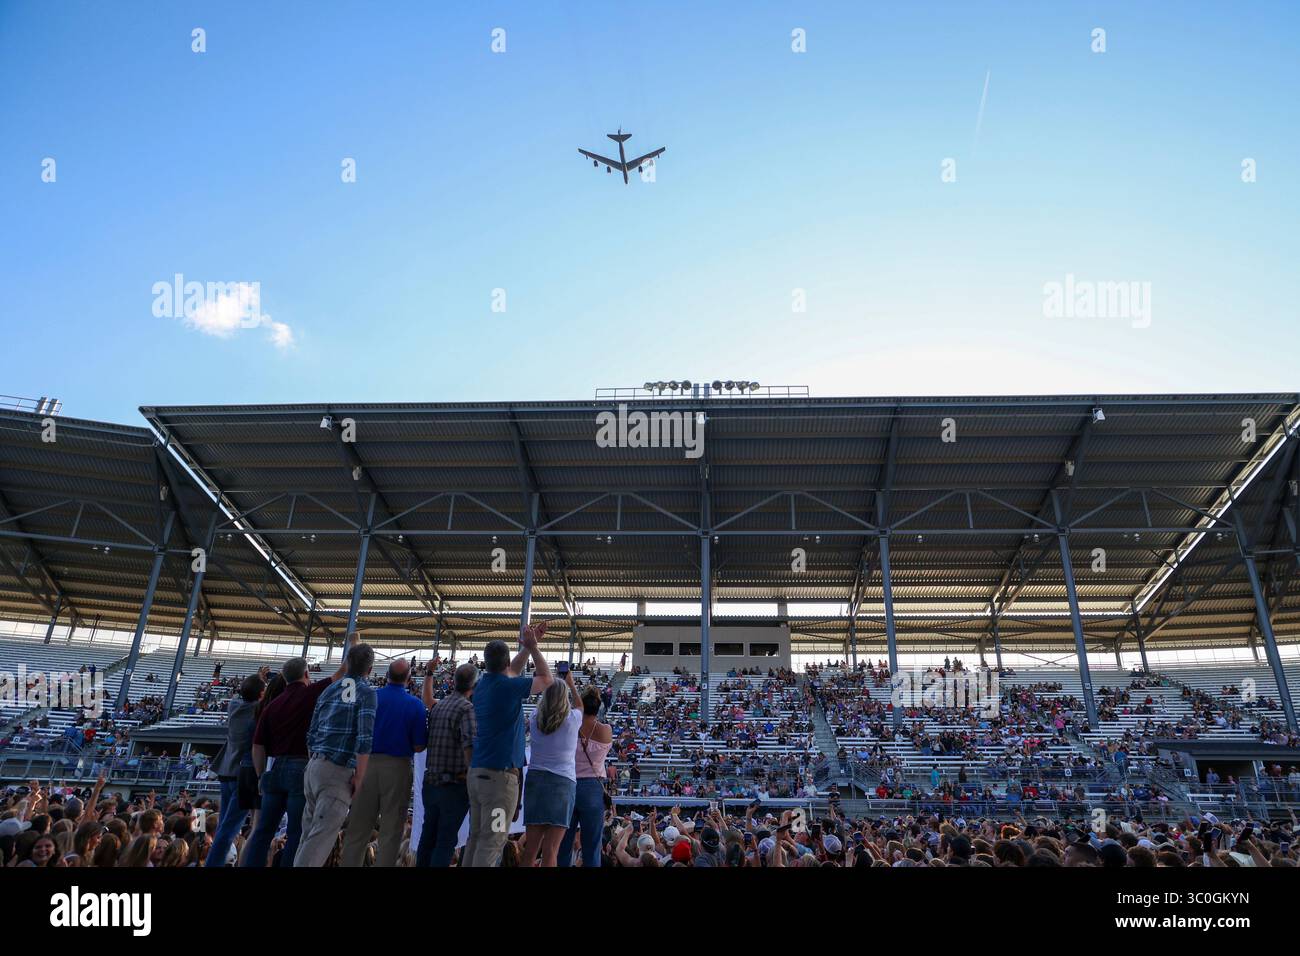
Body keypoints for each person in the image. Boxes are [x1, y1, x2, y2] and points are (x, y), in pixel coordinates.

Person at [241, 636, 355, 867]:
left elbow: (257, 746)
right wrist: (352, 644)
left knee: (263, 832)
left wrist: (261, 774)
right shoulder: (310, 693)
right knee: (297, 832)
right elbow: (342, 672)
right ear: (306, 675)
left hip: (274, 769)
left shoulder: (271, 706)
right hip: (300, 767)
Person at [466, 620, 552, 867]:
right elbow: (546, 680)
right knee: (491, 842)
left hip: (478, 775)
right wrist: (534, 648)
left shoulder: (482, 685)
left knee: (476, 838)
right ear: (505, 662)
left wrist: (526, 646)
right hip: (498, 781)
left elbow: (511, 670)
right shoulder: (507, 686)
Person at [294, 641, 377, 867]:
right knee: (318, 842)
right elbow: (364, 737)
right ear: (370, 670)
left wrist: (315, 760)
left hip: (315, 765)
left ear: (347, 663)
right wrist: (360, 776)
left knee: (308, 837)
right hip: (338, 770)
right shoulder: (366, 693)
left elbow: (311, 733)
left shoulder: (329, 689)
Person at [342, 658, 426, 867]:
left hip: (366, 764)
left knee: (357, 829)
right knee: (391, 832)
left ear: (387, 675)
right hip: (397, 767)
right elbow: (419, 746)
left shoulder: (371, 697)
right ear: (409, 678)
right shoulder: (415, 705)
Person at [416, 662, 478, 867]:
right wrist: (473, 778)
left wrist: (430, 673)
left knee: (427, 837)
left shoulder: (439, 705)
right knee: (445, 841)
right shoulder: (467, 708)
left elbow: (426, 699)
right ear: (473, 685)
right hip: (454, 785)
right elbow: (469, 745)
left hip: (431, 782)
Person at [522, 668, 583, 866]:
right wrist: (571, 684)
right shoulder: (572, 719)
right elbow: (581, 705)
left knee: (530, 849)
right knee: (551, 850)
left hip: (536, 780)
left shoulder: (534, 716)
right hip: (562, 783)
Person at [205, 671, 266, 866]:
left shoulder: (233, 706)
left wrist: (257, 679)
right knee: (229, 829)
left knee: (224, 825)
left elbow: (247, 694)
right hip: (243, 774)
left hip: (226, 770)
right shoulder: (258, 712)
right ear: (261, 694)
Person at [557, 683, 612, 868]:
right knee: (592, 848)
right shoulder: (605, 730)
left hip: (568, 785)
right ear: (599, 706)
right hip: (593, 789)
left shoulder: (569, 727)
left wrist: (571, 686)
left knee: (563, 846)